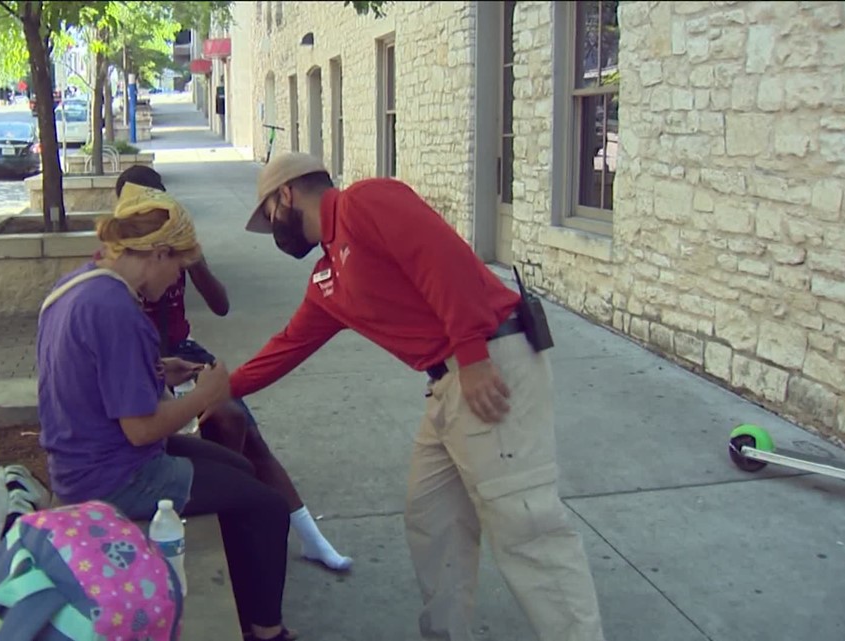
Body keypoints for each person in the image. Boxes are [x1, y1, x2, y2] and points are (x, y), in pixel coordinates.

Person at [230, 152, 608, 641]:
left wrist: (471, 356)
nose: (274, 230)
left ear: (286, 195)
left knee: (528, 526)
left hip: (489, 362)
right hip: (448, 384)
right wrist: (219, 388)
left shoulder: (364, 202)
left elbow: (440, 258)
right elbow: (287, 346)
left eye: (269, 216)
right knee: (433, 517)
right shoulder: (329, 276)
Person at [36, 187, 295, 641]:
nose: (178, 279)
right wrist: (205, 395)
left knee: (239, 468)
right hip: (112, 476)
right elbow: (139, 431)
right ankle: (266, 631)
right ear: (157, 253)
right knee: (269, 507)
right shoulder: (119, 311)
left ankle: (245, 600)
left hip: (77, 459)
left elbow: (93, 380)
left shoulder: (77, 286)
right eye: (179, 266)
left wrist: (158, 373)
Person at [114, 165, 353, 572]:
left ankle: (310, 536)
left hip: (181, 354)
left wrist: (191, 262)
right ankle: (235, 529)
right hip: (144, 367)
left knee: (243, 429)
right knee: (218, 426)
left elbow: (221, 305)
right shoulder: (119, 269)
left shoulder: (176, 251)